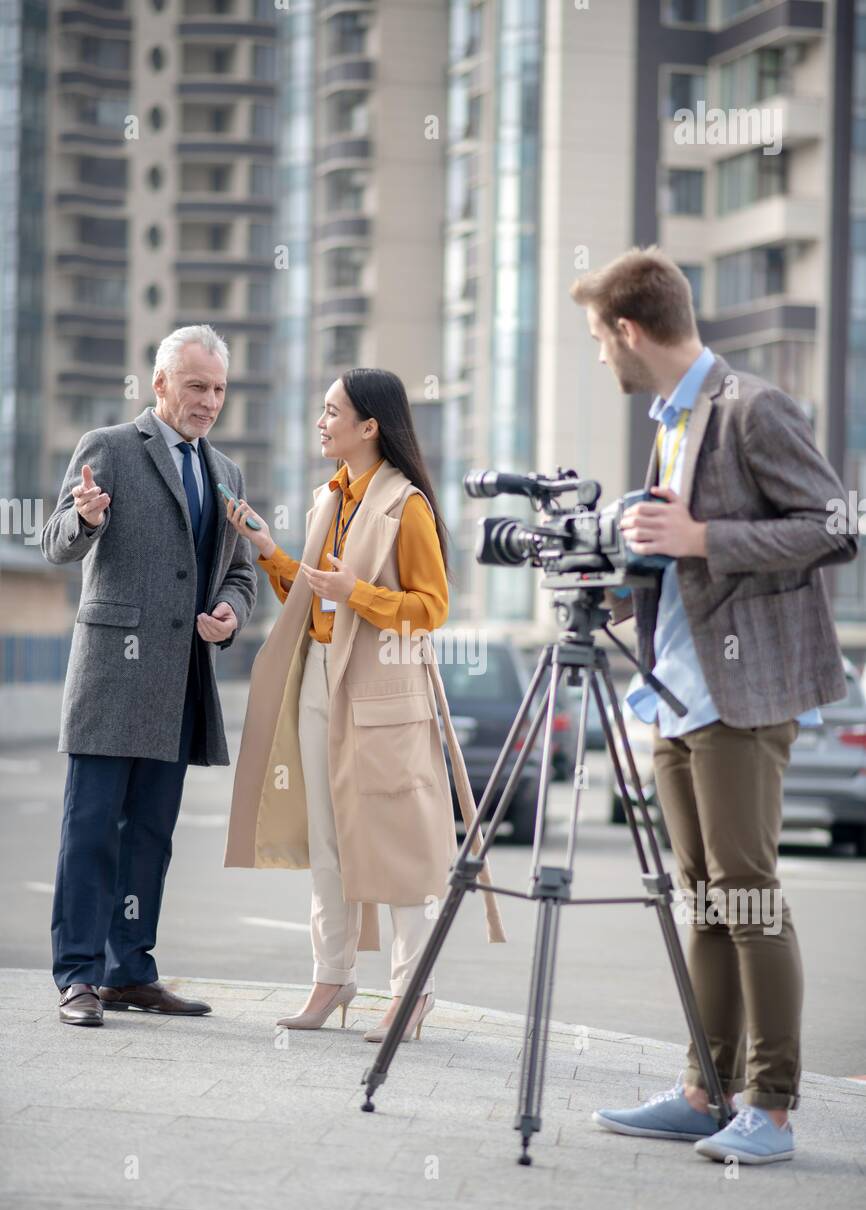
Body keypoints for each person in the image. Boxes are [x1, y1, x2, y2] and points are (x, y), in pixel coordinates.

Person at [570, 247, 857, 1163]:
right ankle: (706, 1089)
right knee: (704, 900)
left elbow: (835, 525)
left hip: (746, 695)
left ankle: (770, 1107)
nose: (599, 359)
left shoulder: (751, 406)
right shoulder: (670, 421)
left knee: (751, 896)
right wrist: (627, 578)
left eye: (597, 339)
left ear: (628, 329)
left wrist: (701, 536)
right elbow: (683, 563)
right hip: (674, 694)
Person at [223, 367, 504, 1039]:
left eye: (331, 411)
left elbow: (431, 610)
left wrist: (357, 594)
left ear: (369, 426)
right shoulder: (331, 498)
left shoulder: (407, 505)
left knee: (397, 846)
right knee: (329, 844)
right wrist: (269, 553)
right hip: (320, 677)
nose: (321, 422)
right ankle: (333, 977)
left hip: (384, 693)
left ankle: (412, 993)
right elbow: (321, 591)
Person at [42, 324, 258, 1026]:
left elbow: (241, 570)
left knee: (151, 836)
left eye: (219, 389)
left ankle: (129, 971)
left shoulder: (227, 473)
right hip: (113, 676)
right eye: (196, 385)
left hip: (181, 684)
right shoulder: (108, 448)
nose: (208, 401)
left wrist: (230, 608)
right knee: (91, 829)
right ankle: (78, 975)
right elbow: (53, 544)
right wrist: (85, 519)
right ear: (160, 383)